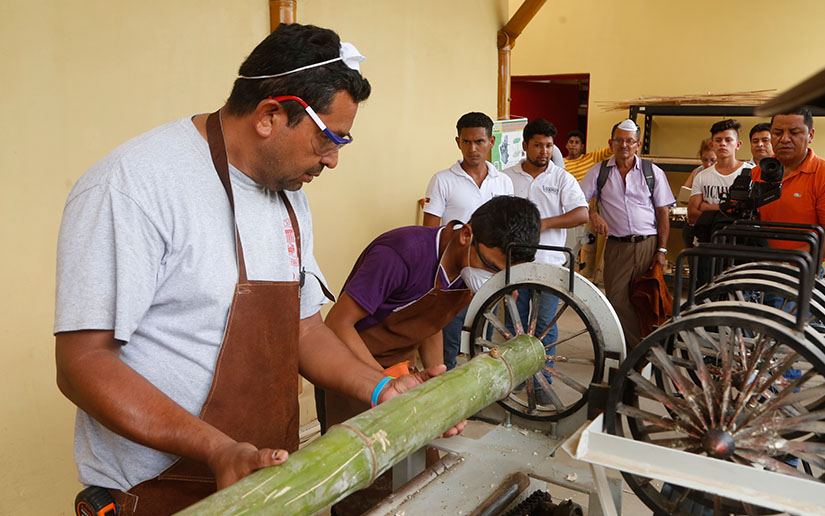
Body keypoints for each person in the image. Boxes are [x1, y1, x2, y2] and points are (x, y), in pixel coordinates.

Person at [54, 24, 461, 515]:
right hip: (158, 490)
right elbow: (83, 365)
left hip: (265, 477)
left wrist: (378, 387)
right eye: (327, 139)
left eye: (342, 142)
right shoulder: (134, 187)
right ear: (270, 114)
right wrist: (217, 448)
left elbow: (302, 327)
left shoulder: (288, 195)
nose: (332, 160)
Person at [321, 196, 540, 516]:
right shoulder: (401, 253)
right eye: (491, 267)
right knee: (367, 485)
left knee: (425, 474)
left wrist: (439, 377)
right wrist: (383, 385)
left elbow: (430, 323)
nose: (489, 278)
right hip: (351, 364)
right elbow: (337, 324)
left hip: (399, 367)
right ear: (466, 235)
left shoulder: (468, 267)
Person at [501, 119, 588, 404]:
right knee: (516, 325)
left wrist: (542, 223)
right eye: (537, 145)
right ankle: (514, 377)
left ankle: (542, 381)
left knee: (545, 325)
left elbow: (581, 214)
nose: (544, 151)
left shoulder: (562, 178)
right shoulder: (506, 177)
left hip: (550, 263)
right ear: (525, 145)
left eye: (549, 145)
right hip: (514, 263)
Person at [422, 112, 514, 369]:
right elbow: (430, 231)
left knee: (482, 342)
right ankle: (447, 399)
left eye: (479, 142)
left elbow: (506, 232)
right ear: (458, 142)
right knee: (448, 342)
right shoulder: (443, 180)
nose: (472, 148)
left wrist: (507, 273)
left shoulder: (503, 182)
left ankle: (478, 396)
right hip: (453, 278)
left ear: (491, 142)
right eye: (466, 142)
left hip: (489, 276)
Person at [580, 119, 675, 348]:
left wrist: (661, 250)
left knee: (647, 299)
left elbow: (663, 213)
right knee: (616, 300)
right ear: (611, 143)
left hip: (648, 245)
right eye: (619, 140)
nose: (624, 145)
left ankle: (636, 352)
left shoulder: (652, 172)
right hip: (616, 246)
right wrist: (593, 214)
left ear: (638, 144)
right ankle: (639, 350)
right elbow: (577, 201)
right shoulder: (599, 172)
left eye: (630, 141)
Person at [753, 107, 825, 251]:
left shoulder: (821, 174)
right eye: (778, 133)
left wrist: (786, 262)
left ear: (810, 135)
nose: (784, 139)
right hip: (757, 264)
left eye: (794, 132)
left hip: (802, 268)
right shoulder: (756, 173)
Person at [688, 119, 748, 226]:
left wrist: (707, 208)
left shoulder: (751, 173)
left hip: (740, 239)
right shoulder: (701, 176)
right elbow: (692, 215)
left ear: (738, 145)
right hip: (707, 238)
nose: (723, 144)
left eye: (728, 140)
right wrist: (731, 212)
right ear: (712, 145)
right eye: (718, 140)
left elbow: (751, 214)